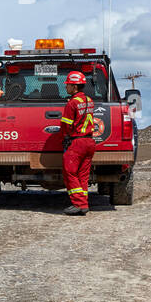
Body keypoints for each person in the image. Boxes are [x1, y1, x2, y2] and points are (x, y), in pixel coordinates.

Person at [60, 70, 96, 216]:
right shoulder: (89, 101)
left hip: (77, 142)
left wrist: (65, 137)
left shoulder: (72, 103)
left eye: (68, 85)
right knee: (83, 175)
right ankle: (84, 203)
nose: (66, 87)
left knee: (69, 172)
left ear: (75, 87)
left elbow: (66, 125)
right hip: (89, 142)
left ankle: (79, 204)